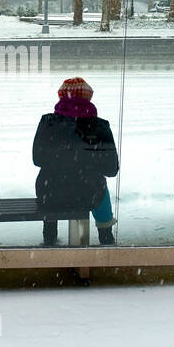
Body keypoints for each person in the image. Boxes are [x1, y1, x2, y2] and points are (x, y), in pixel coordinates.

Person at [33, 77, 119, 246]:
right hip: (88, 195)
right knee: (100, 187)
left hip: (51, 195)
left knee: (52, 180)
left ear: (61, 97)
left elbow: (38, 159)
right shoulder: (100, 126)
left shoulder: (47, 122)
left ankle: (49, 236)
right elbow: (111, 170)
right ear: (88, 98)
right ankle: (106, 236)